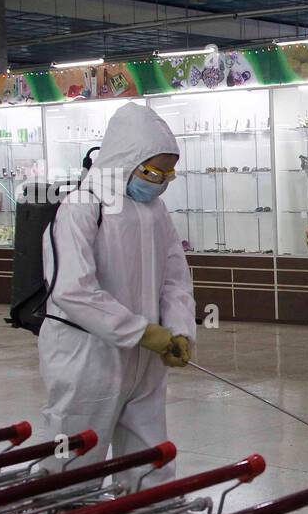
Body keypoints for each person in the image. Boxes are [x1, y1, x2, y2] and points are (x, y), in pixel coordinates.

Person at [39, 103, 195, 490]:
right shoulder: (81, 207)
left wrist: (178, 330)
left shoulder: (155, 211)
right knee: (76, 451)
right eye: (156, 170)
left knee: (149, 451)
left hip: (145, 354)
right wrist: (138, 330)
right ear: (126, 159)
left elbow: (176, 278)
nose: (163, 181)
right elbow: (72, 290)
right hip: (88, 354)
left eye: (169, 171)